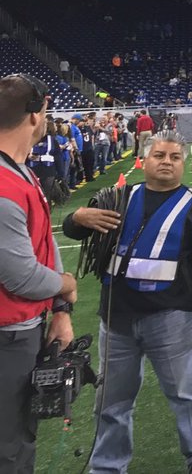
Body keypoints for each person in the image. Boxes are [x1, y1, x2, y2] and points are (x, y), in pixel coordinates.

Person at [62, 131, 192, 474]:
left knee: (187, 393)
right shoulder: (118, 197)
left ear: (183, 163)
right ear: (145, 159)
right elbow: (74, 231)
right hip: (116, 318)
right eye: (160, 155)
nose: (166, 162)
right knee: (112, 400)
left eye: (174, 157)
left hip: (171, 317)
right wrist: (76, 218)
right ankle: (107, 465)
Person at [0, 75, 78, 474]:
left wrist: (61, 308)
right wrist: (66, 285)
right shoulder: (4, 184)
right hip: (7, 335)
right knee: (9, 447)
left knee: (21, 437)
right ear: (36, 115)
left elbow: (43, 241)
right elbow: (22, 277)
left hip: (25, 328)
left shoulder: (21, 171)